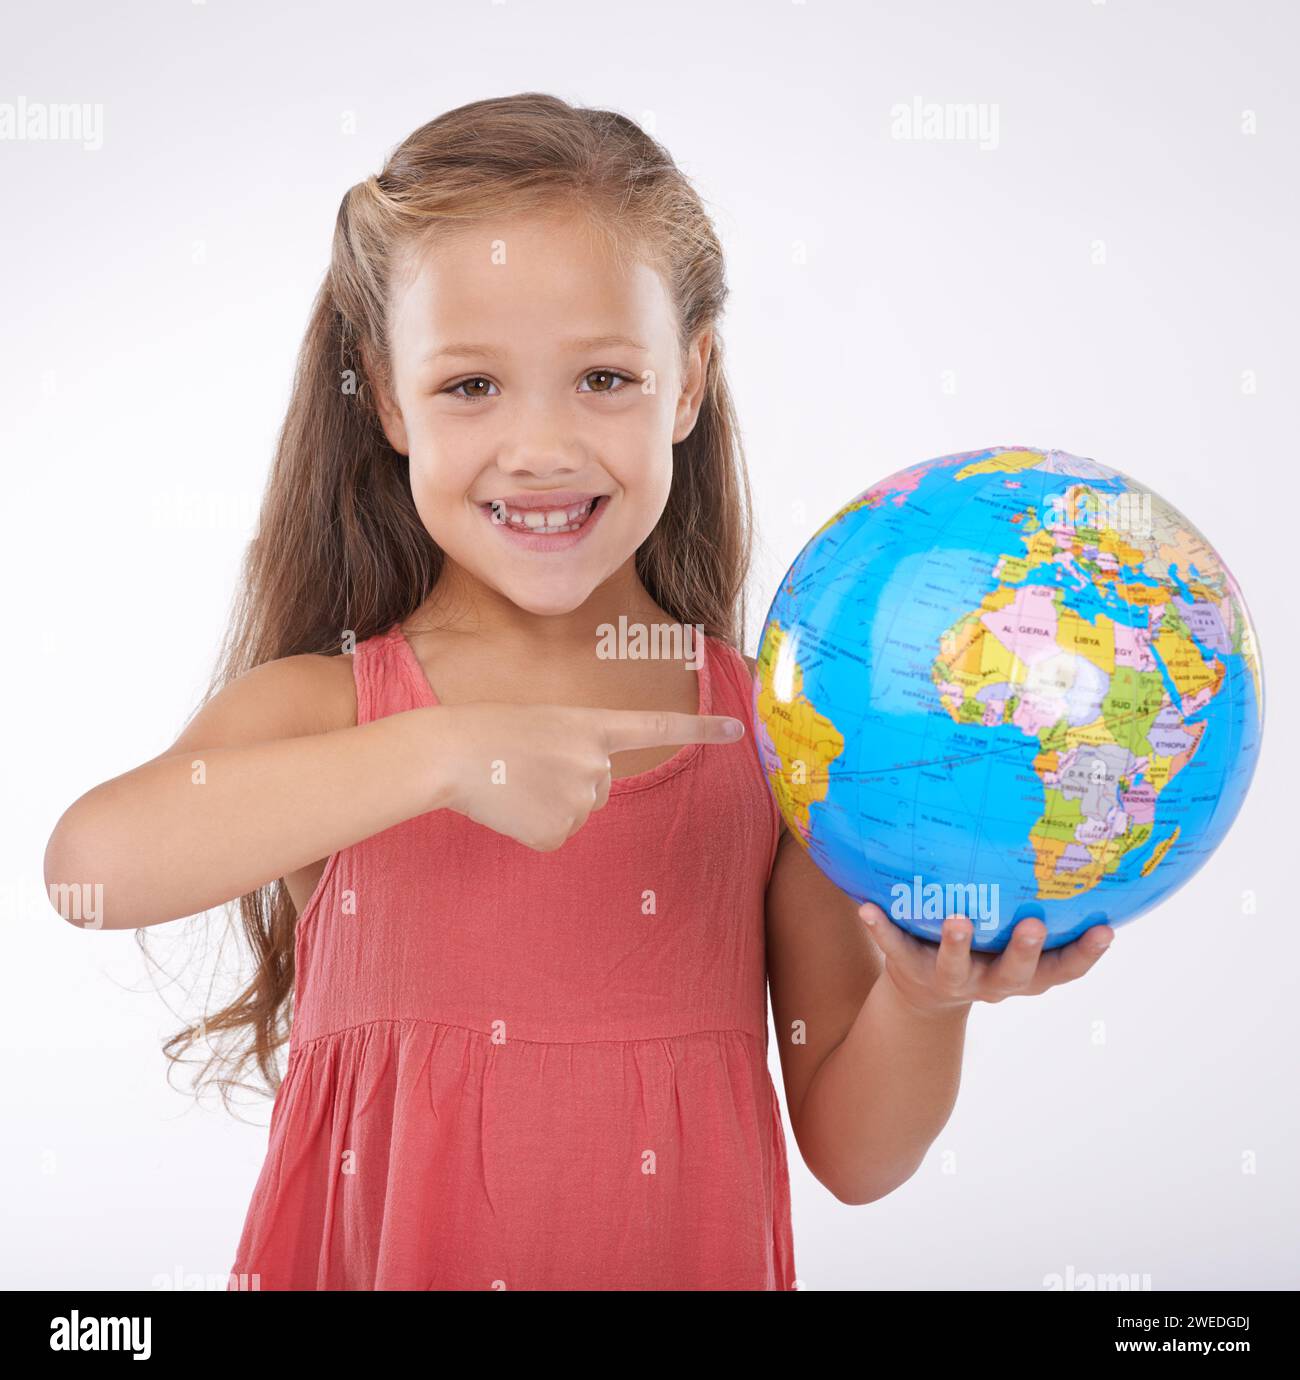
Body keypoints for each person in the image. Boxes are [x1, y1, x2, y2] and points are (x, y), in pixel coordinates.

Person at [43, 92, 1113, 1291]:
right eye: (469, 387)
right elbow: (92, 868)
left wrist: (924, 1007)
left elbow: (854, 1157)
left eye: (604, 377)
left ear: (690, 381)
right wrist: (446, 756)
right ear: (387, 400)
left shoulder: (779, 740)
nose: (542, 447)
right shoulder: (335, 711)